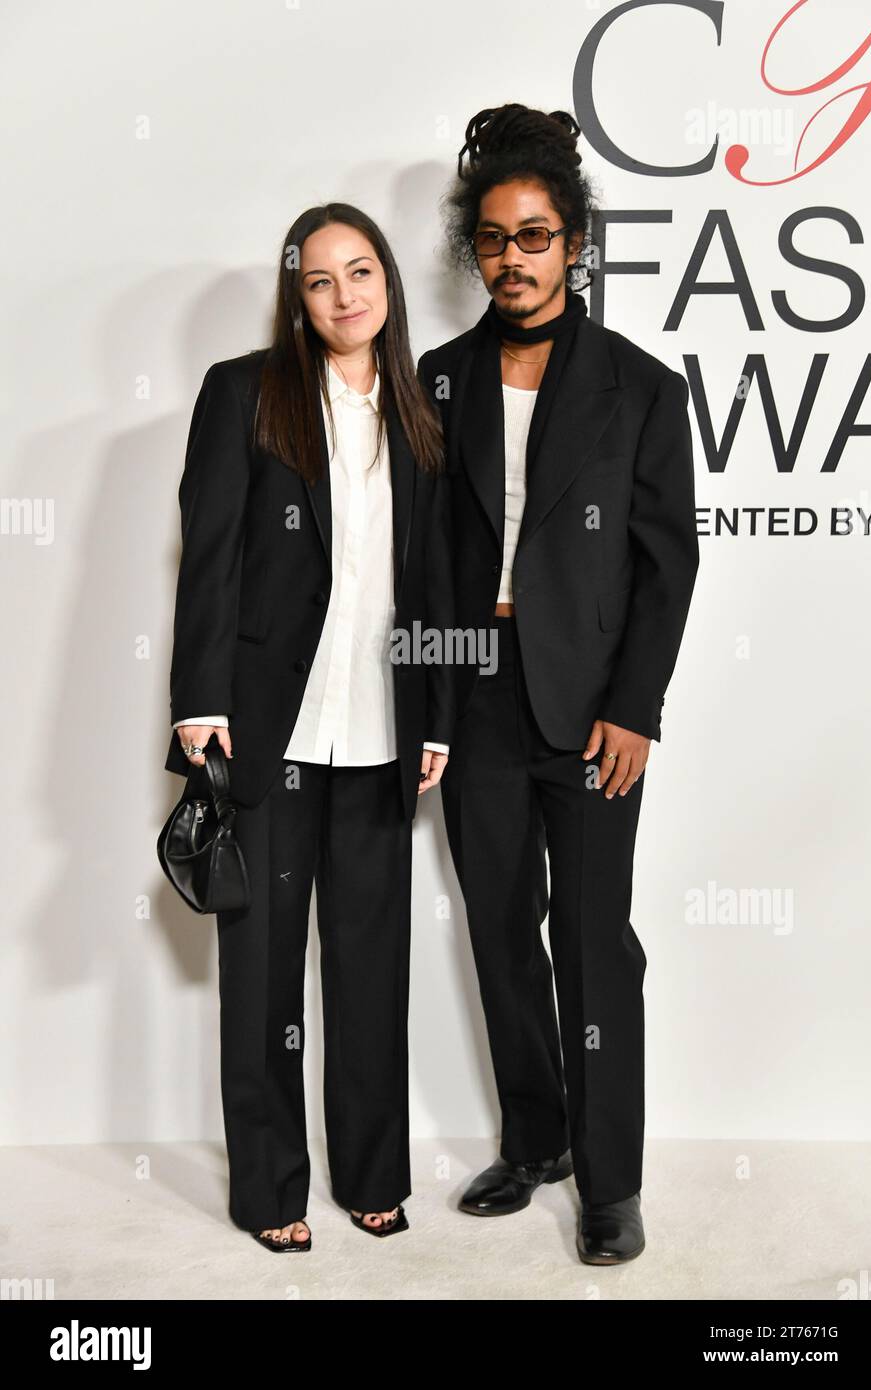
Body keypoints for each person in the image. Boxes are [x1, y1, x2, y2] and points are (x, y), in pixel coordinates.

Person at [418, 104, 699, 1264]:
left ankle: (611, 1178)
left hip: (590, 704)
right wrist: (424, 704)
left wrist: (634, 707)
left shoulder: (639, 386)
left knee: (593, 942)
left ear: (574, 241)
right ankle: (536, 1137)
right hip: (473, 689)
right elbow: (420, 568)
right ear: (473, 250)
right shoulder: (436, 381)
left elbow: (666, 561)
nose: (513, 258)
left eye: (535, 236)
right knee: (497, 930)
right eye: (492, 238)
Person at [163, 204, 454, 1252]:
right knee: (264, 974)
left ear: (387, 283)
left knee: (372, 971)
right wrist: (198, 700)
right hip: (267, 733)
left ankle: (374, 1175)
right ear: (298, 295)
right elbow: (210, 557)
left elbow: (433, 583)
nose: (345, 295)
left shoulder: (422, 410)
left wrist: (439, 713)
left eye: (361, 270)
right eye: (321, 279)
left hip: (382, 734)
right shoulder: (244, 392)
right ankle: (270, 1192)